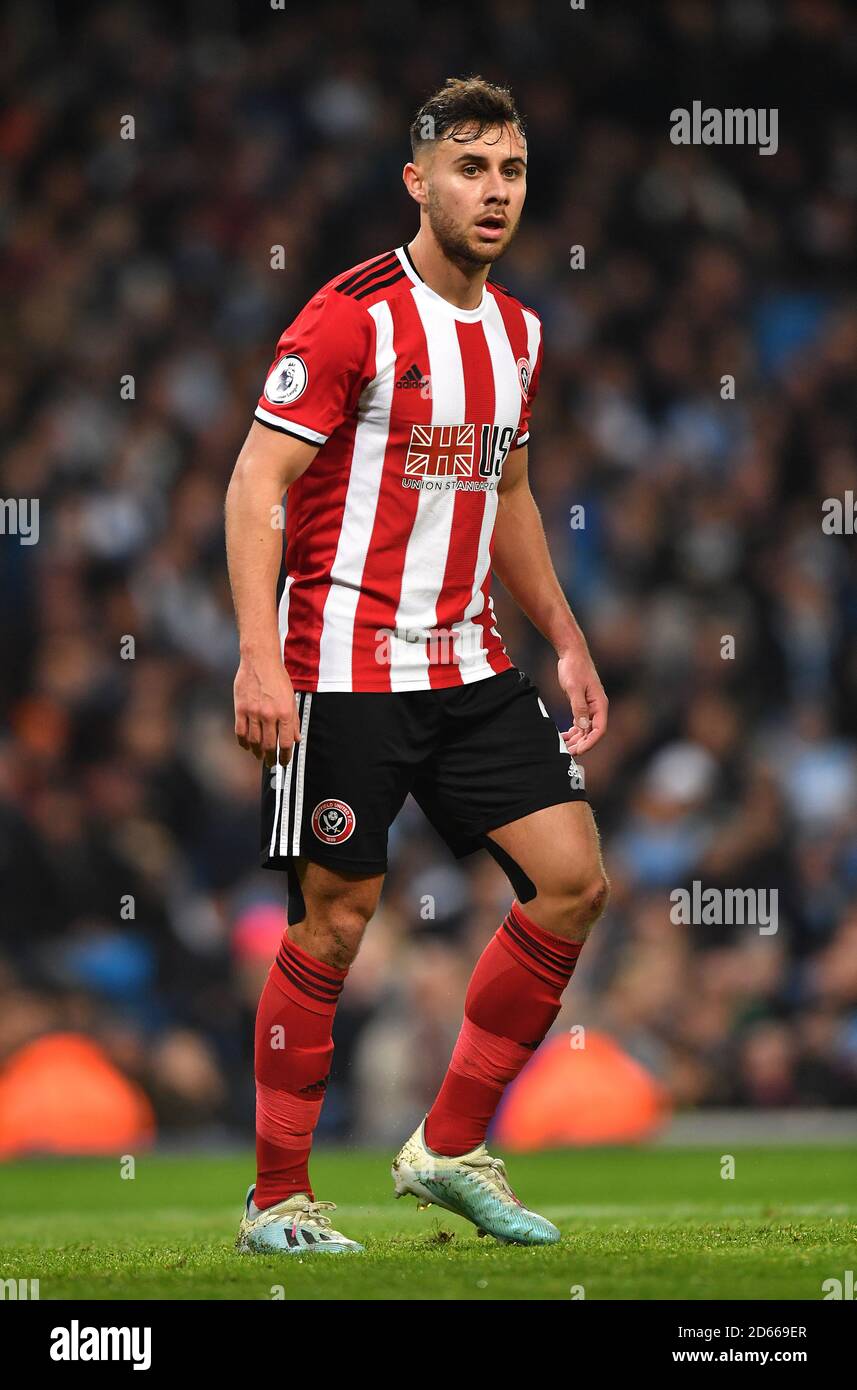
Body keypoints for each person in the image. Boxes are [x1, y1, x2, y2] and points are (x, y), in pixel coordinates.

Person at [225, 75, 609, 1254]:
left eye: (509, 172)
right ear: (417, 181)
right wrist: (257, 656)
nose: (491, 194)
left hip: (468, 661)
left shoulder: (520, 332)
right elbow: (253, 486)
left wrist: (565, 635)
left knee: (573, 878)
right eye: (468, 169)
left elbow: (507, 493)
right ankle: (276, 1199)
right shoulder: (350, 316)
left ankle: (444, 1149)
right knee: (334, 923)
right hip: (338, 666)